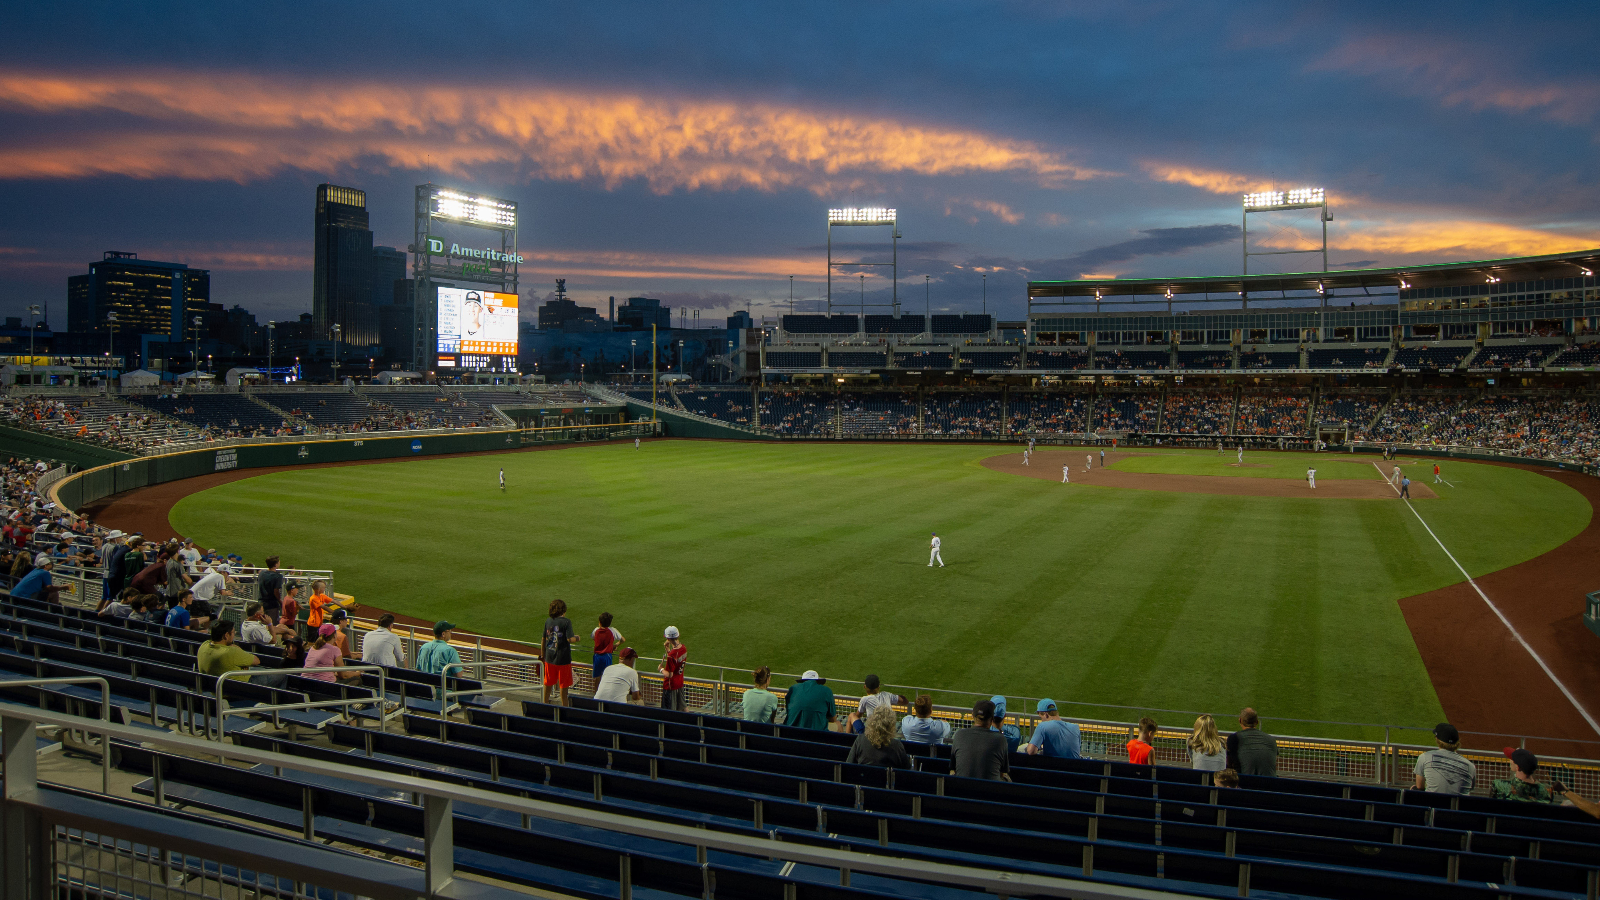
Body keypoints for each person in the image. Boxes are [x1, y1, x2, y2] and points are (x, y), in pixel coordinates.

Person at [951, 698, 1010, 781]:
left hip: (962, 790)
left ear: (973, 716)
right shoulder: (1000, 740)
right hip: (990, 792)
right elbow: (1002, 773)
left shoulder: (959, 735)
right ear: (992, 719)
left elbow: (953, 768)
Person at [1412, 722, 1476, 794]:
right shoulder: (1471, 767)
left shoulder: (1424, 757)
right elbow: (1470, 788)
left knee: (1414, 789)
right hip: (1458, 804)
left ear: (1437, 739)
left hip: (1433, 803)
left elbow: (1420, 787)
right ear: (1457, 742)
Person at [845, 705, 912, 768]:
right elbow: (906, 770)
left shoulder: (861, 740)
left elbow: (849, 764)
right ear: (891, 726)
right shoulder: (897, 746)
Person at [542, 599, 577, 706]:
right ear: (563, 610)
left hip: (549, 657)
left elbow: (543, 639)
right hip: (563, 659)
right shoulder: (566, 622)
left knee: (548, 683)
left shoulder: (548, 621)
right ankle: (564, 707)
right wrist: (577, 638)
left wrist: (543, 655)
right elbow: (570, 639)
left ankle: (545, 704)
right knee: (563, 686)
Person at [1226, 708, 1278, 776]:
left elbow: (1229, 764)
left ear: (1240, 720)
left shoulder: (1234, 738)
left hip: (1245, 782)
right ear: (1257, 722)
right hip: (1270, 783)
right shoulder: (1271, 740)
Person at [658, 625, 688, 711]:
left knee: (669, 711)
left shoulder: (672, 655)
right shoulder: (683, 648)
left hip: (670, 686)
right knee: (683, 707)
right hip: (680, 682)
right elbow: (676, 661)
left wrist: (661, 669)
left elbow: (669, 674)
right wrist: (668, 649)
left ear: (668, 639)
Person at [257, 556, 285, 622]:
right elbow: (276, 591)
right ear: (275, 564)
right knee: (271, 625)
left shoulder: (262, 573)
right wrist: (280, 601)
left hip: (261, 603)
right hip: (271, 605)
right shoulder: (278, 576)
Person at [592, 612, 617, 680]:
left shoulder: (596, 630)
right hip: (607, 656)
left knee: (597, 677)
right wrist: (615, 645)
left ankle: (597, 690)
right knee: (607, 676)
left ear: (599, 622)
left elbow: (593, 638)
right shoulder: (612, 630)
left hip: (597, 656)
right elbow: (622, 639)